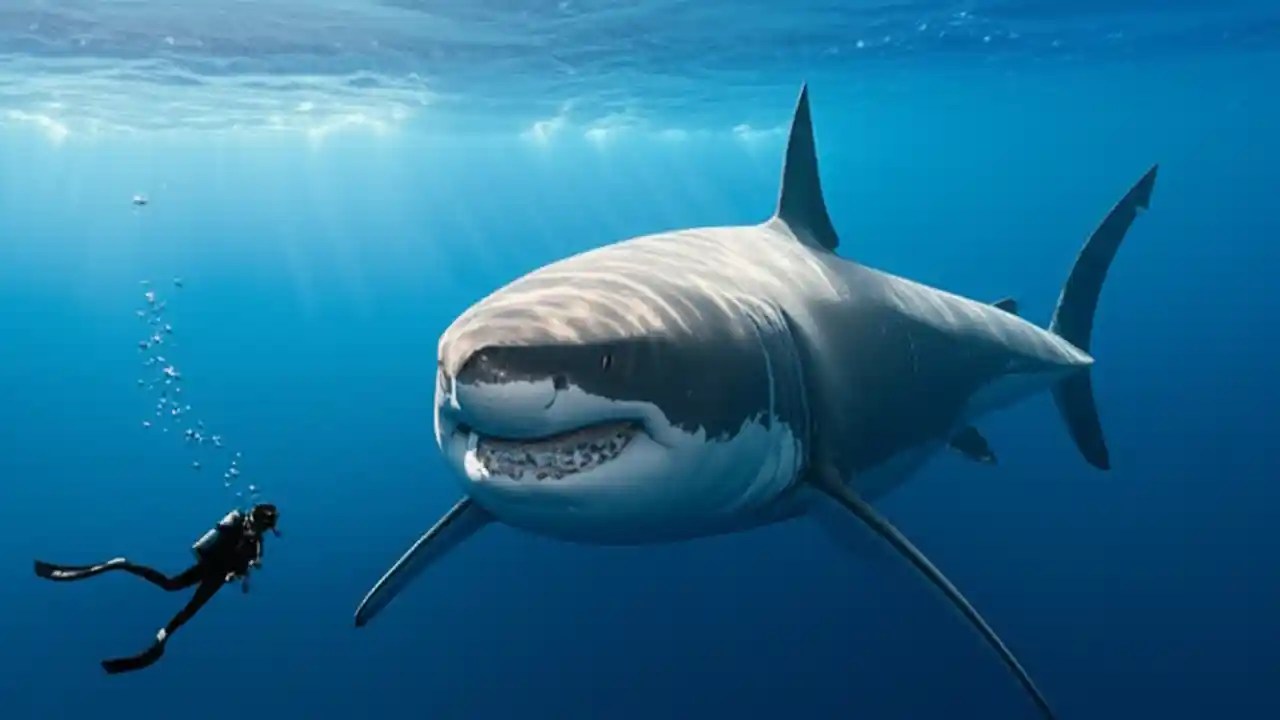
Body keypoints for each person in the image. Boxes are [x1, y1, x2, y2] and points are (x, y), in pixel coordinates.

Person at [33, 503, 280, 675]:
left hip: (216, 573)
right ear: (255, 516)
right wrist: (227, 566)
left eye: (264, 527)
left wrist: (238, 575)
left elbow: (241, 572)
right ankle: (122, 565)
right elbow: (203, 546)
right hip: (210, 567)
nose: (259, 529)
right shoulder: (237, 522)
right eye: (260, 522)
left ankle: (163, 634)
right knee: (170, 586)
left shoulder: (256, 546)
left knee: (188, 607)